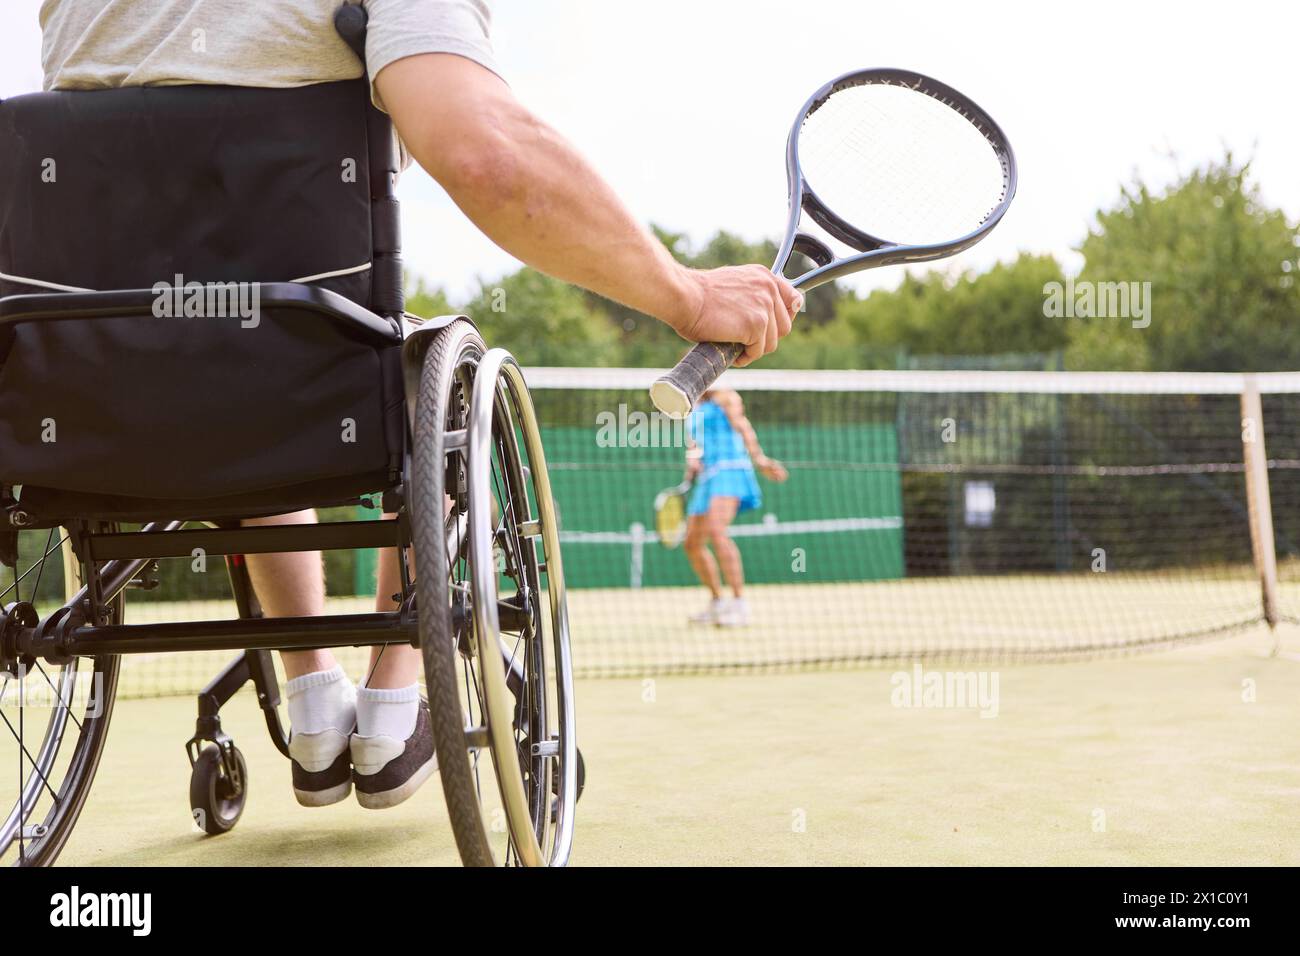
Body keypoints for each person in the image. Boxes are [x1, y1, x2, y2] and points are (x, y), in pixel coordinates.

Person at [37, 0, 801, 808]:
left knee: (242, 374)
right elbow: (486, 156)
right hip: (289, 371)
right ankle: (391, 715)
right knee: (426, 381)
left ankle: (314, 706)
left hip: (90, 391)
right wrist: (684, 293)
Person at [682, 388, 787, 626]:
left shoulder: (724, 395)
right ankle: (717, 603)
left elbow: (742, 425)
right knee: (692, 543)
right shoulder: (689, 406)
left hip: (730, 468)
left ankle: (740, 606)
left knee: (717, 532)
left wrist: (760, 459)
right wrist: (693, 460)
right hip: (707, 477)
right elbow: (694, 444)